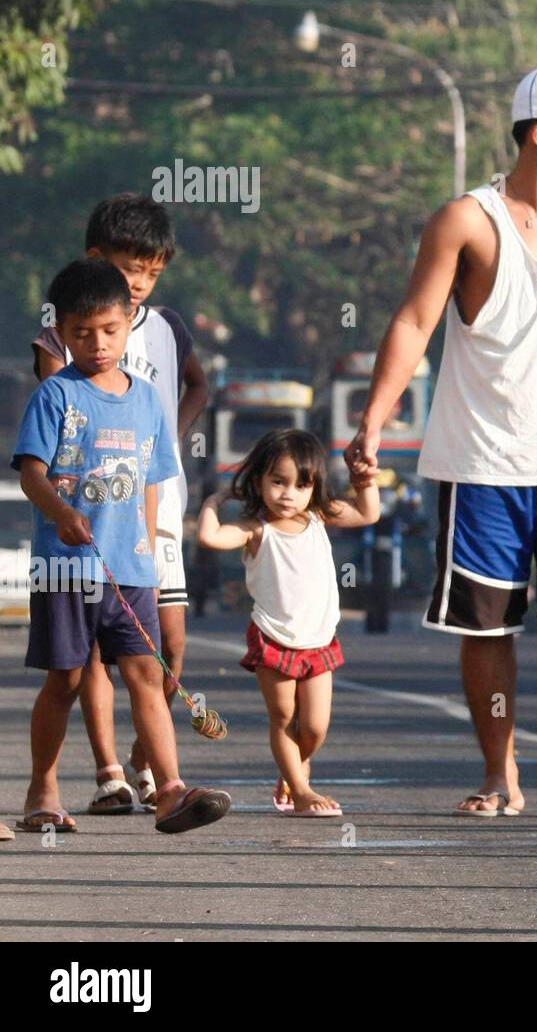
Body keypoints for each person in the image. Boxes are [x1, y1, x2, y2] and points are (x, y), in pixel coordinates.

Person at [345, 62, 537, 818]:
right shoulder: (466, 220)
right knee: (488, 624)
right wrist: (375, 420)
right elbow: (415, 321)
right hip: (481, 461)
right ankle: (501, 773)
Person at [13, 259, 229, 835]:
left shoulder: (148, 401)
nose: (97, 343)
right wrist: (60, 513)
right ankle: (43, 790)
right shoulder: (56, 395)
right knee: (66, 679)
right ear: (60, 330)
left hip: (131, 568)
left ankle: (171, 791)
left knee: (146, 675)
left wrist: (151, 557)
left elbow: (152, 485)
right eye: (81, 333)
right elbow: (32, 472)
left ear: (130, 320)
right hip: (66, 569)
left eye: (108, 330)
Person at [198, 429, 379, 817]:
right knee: (282, 718)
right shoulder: (255, 529)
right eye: (277, 481)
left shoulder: (319, 516)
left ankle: (295, 768)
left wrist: (365, 480)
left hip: (319, 640)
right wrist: (214, 500)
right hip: (273, 638)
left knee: (314, 727)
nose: (287, 493)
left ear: (314, 488)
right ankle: (300, 790)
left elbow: (368, 512)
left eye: (300, 484)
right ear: (260, 479)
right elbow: (210, 538)